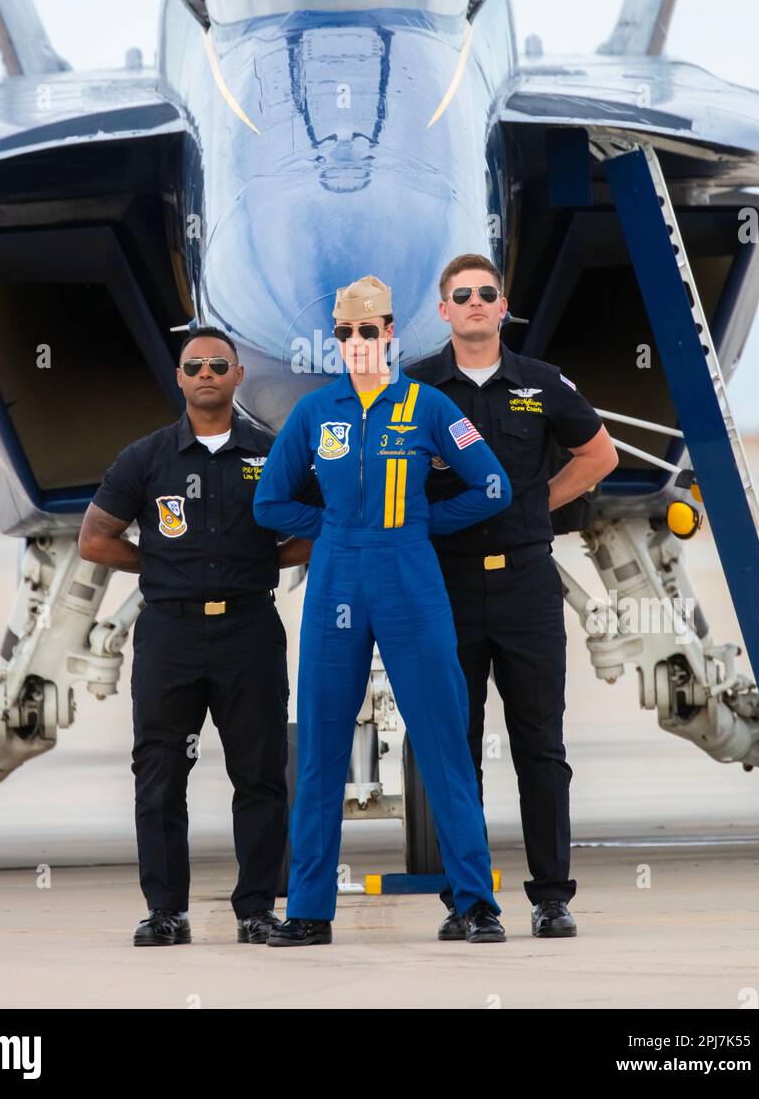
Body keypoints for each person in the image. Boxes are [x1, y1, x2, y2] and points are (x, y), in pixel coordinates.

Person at [253, 274, 513, 946]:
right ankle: (309, 911)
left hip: (409, 571)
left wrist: (422, 520)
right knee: (319, 747)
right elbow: (269, 502)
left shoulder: (428, 408)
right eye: (344, 333)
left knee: (441, 740)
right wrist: (335, 526)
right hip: (337, 573)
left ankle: (474, 904)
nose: (356, 342)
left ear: (390, 333)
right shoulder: (316, 413)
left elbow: (492, 485)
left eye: (368, 331)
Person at [78, 326, 319, 946]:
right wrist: (158, 569)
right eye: (194, 365)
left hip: (248, 631)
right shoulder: (146, 458)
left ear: (239, 376)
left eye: (219, 363)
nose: (206, 372)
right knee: (159, 774)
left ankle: (257, 910)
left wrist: (263, 567)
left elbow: (319, 527)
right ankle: (166, 912)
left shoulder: (275, 453)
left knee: (260, 774)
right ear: (180, 379)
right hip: (170, 634)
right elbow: (95, 538)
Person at [405, 253, 618, 939]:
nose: (473, 303)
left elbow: (598, 456)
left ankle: (551, 896)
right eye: (459, 295)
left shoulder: (541, 383)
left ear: (502, 308)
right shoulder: (414, 392)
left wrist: (533, 505)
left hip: (525, 582)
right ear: (442, 311)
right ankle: (467, 903)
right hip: (447, 584)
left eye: (485, 294)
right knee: (453, 745)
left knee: (539, 744)